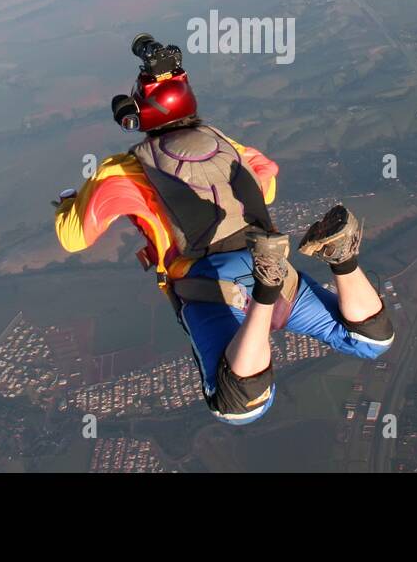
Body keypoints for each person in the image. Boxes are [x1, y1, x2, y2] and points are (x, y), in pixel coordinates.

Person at [54, 35, 395, 425]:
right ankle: (344, 260)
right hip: (265, 255)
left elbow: (74, 236)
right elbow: (265, 180)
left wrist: (70, 202)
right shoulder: (224, 143)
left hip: (209, 282)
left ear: (138, 115)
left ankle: (264, 296)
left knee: (237, 406)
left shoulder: (122, 170)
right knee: (371, 341)